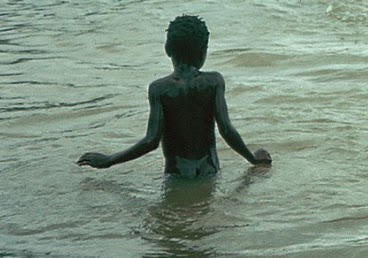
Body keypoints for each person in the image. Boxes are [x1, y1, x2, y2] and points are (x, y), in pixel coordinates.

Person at [77, 15, 271, 178]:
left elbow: (151, 141)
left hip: (176, 175)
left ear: (167, 49)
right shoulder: (214, 82)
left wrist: (109, 160)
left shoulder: (159, 89)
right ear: (204, 52)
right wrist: (253, 159)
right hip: (209, 172)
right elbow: (226, 130)